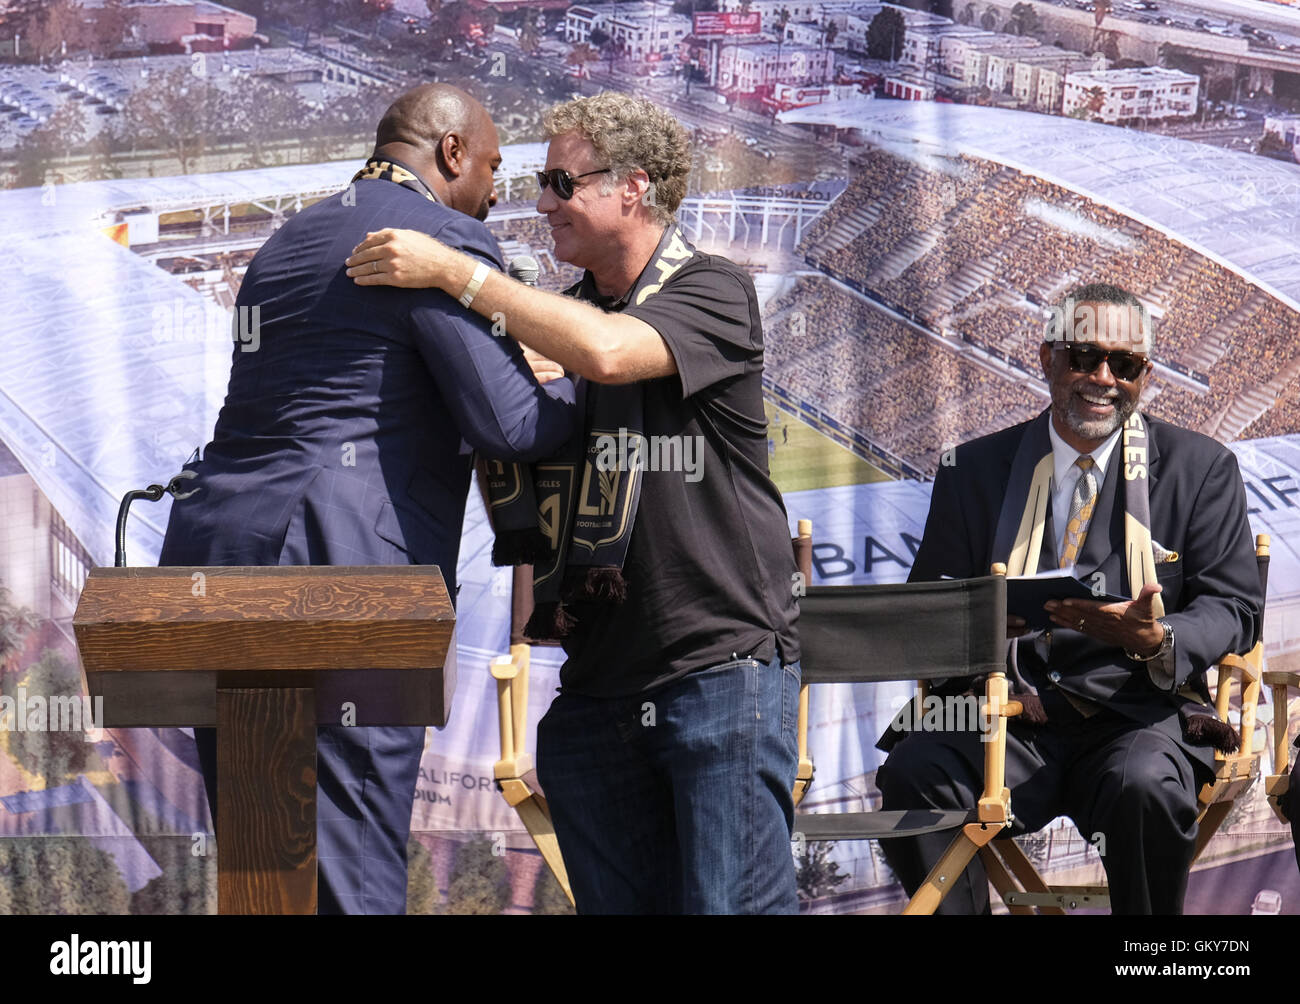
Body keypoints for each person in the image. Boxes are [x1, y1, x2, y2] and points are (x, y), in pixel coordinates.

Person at [344, 92, 802, 914]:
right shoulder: (561, 321)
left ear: (632, 187)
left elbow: (608, 353)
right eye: (538, 180)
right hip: (596, 692)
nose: (542, 200)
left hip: (720, 675)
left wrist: (458, 270)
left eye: (560, 179)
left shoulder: (714, 289)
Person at [158, 84, 575, 914]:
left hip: (211, 565)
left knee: (267, 878)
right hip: (335, 574)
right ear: (453, 152)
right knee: (348, 867)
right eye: (492, 166)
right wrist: (592, 379)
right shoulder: (442, 240)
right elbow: (513, 425)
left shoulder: (284, 242)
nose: (495, 190)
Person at [878, 282, 1262, 914]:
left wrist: (1158, 639)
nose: (1102, 378)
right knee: (914, 774)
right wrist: (977, 621)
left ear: (1146, 375)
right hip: (1006, 717)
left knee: (1146, 787)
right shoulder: (971, 468)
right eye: (1083, 357)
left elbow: (1234, 608)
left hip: (1140, 716)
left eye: (1125, 364)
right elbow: (932, 601)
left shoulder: (1202, 468)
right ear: (1046, 358)